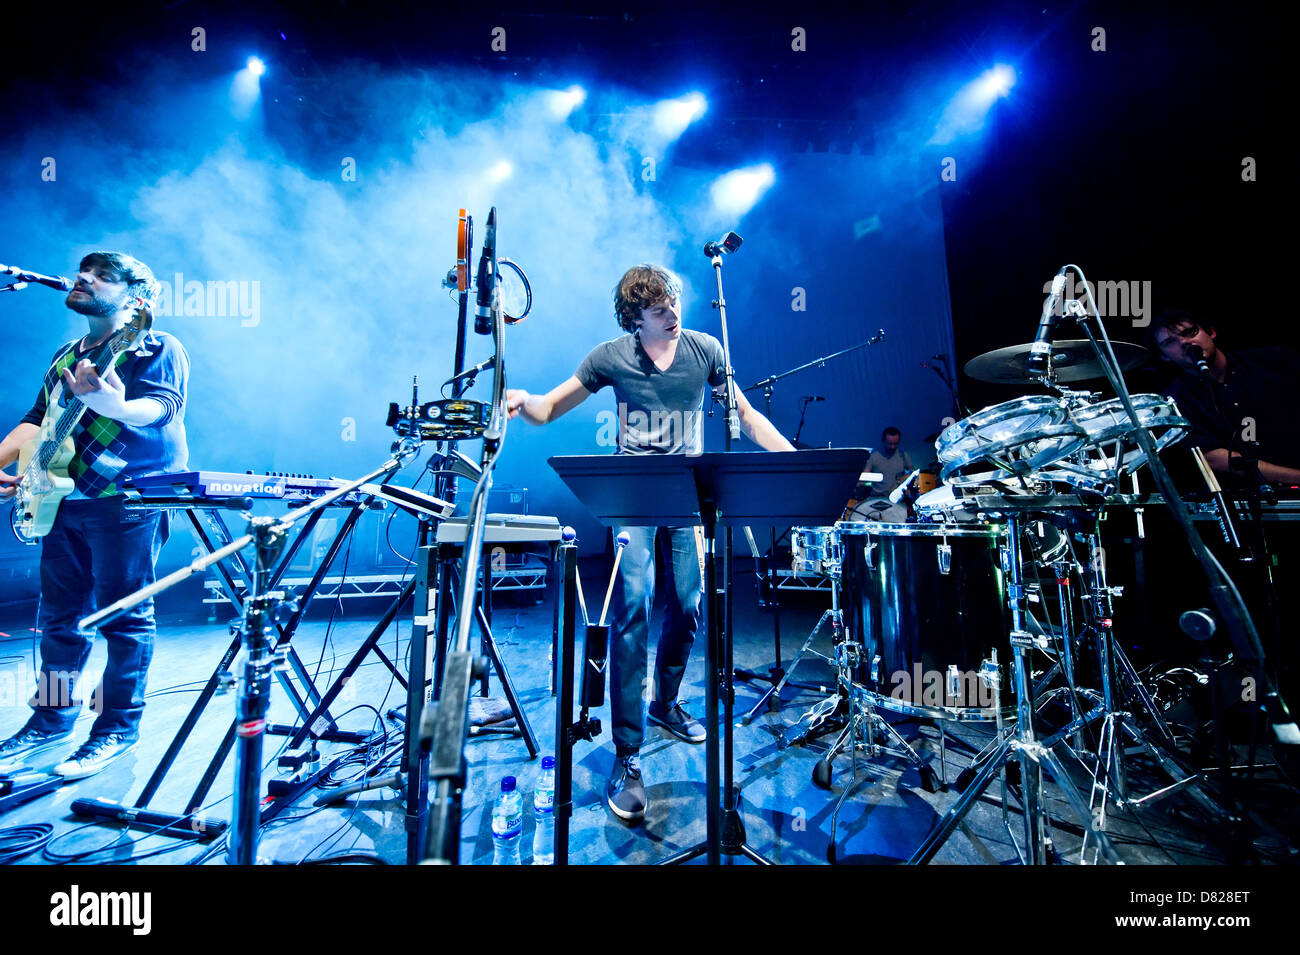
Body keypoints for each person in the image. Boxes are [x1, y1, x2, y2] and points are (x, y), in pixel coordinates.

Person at [506, 263, 793, 823]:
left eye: (675, 302)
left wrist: (796, 463)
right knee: (632, 610)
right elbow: (549, 407)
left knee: (688, 608)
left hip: (689, 496)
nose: (673, 314)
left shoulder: (706, 348)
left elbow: (747, 417)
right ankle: (627, 751)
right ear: (634, 316)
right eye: (659, 308)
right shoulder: (610, 356)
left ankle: (664, 702)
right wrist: (523, 401)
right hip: (633, 497)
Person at [0, 251, 188, 779]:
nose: (85, 278)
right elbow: (36, 421)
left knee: (124, 619)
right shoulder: (67, 353)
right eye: (85, 271)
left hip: (126, 499)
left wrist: (118, 407)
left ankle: (115, 731)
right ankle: (50, 721)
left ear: (137, 300)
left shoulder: (153, 344)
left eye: (104, 276)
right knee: (59, 619)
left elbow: (163, 406)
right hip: (61, 499)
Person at [1149, 310, 1300, 487]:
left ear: (1211, 332)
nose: (1184, 342)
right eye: (1169, 342)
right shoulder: (1174, 399)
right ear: (1164, 356)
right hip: (1255, 497)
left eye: (1190, 332)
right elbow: (1213, 458)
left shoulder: (1276, 360)